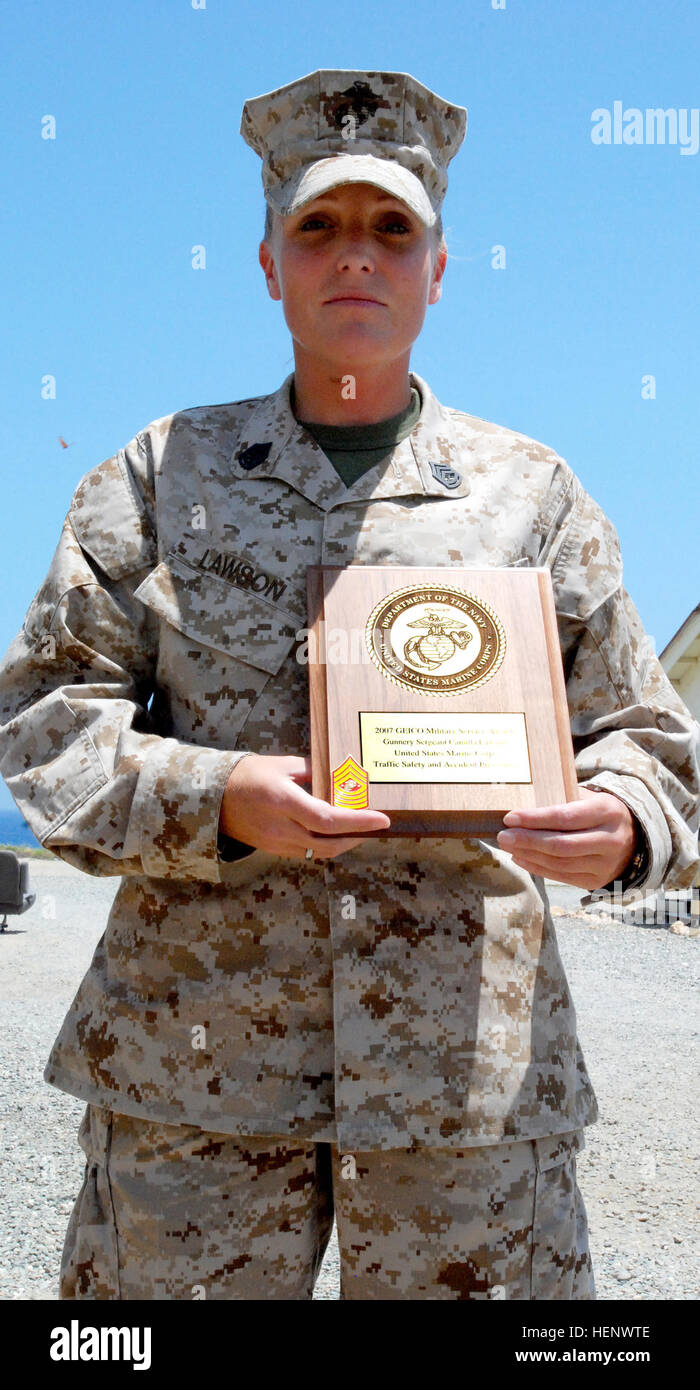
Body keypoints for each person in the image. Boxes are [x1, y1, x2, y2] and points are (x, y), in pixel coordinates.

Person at [0, 67, 698, 1302]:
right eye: (316, 226)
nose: (354, 256)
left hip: (466, 1088)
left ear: (439, 266)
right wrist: (215, 795)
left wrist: (628, 819)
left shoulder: (529, 494)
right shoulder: (159, 478)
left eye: (392, 228)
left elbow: (650, 733)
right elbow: (44, 725)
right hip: (195, 1078)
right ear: (270, 263)